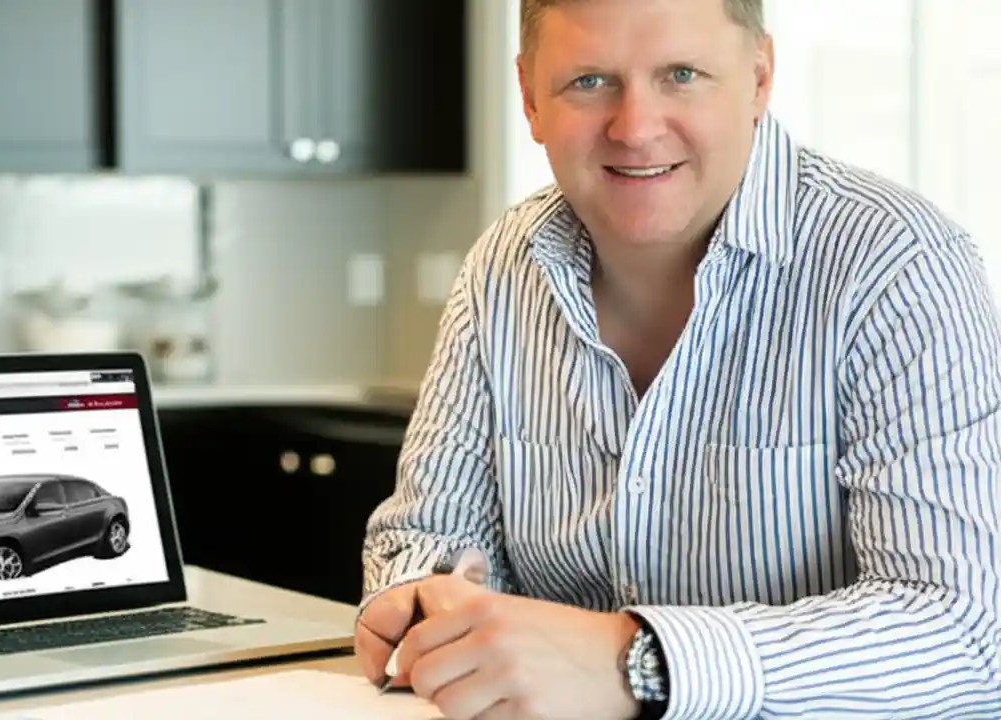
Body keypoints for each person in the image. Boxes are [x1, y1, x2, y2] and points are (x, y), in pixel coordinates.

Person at [354, 0, 1001, 718]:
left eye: (682, 74)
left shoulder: (899, 266)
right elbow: (426, 534)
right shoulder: (500, 272)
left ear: (759, 78)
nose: (635, 128)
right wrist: (425, 594)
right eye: (590, 81)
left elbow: (964, 636)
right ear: (529, 98)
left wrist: (639, 660)